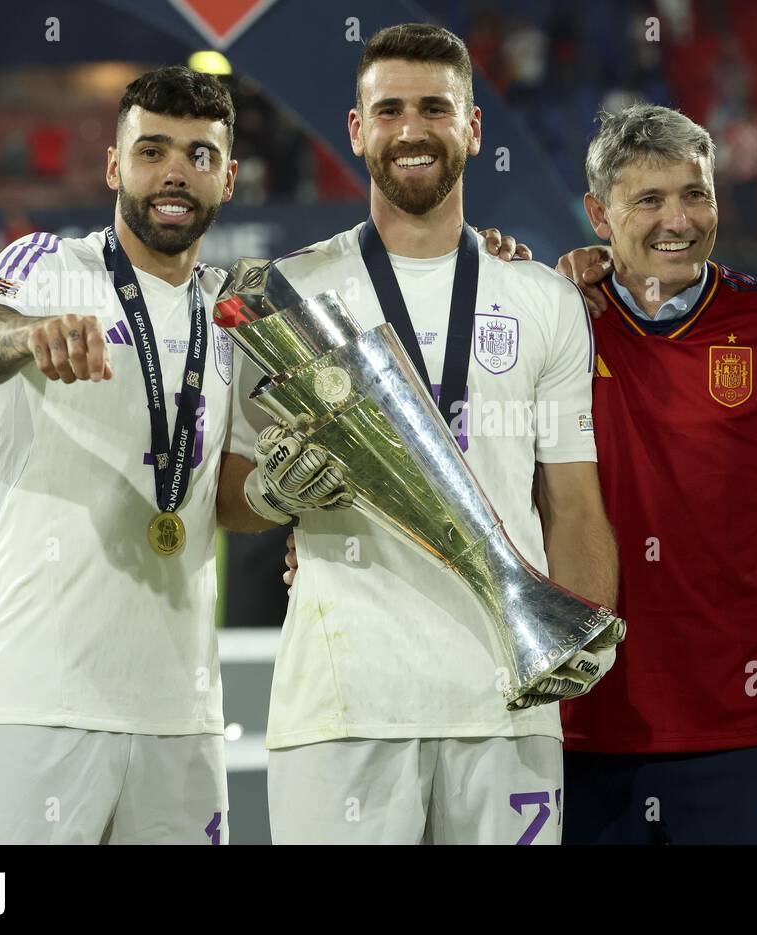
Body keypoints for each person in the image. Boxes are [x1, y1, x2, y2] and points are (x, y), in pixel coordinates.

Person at [0, 66, 348, 844]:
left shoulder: (234, 314)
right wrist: (28, 336)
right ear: (113, 166)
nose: (173, 172)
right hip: (32, 705)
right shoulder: (47, 266)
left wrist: (280, 492)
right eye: (151, 149)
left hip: (181, 719)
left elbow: (222, 498)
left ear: (228, 178)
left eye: (198, 155)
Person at [241, 23, 623, 845]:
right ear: (356, 130)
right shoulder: (293, 294)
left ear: (473, 128)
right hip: (344, 704)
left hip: (506, 702)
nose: (411, 130)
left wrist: (581, 626)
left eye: (434, 109)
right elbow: (236, 486)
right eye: (388, 111)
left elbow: (575, 505)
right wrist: (270, 494)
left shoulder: (540, 298)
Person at [555, 103, 757, 844]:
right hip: (586, 720)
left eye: (695, 193)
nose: (679, 218)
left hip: (745, 724)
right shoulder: (557, 321)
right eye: (649, 199)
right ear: (598, 216)